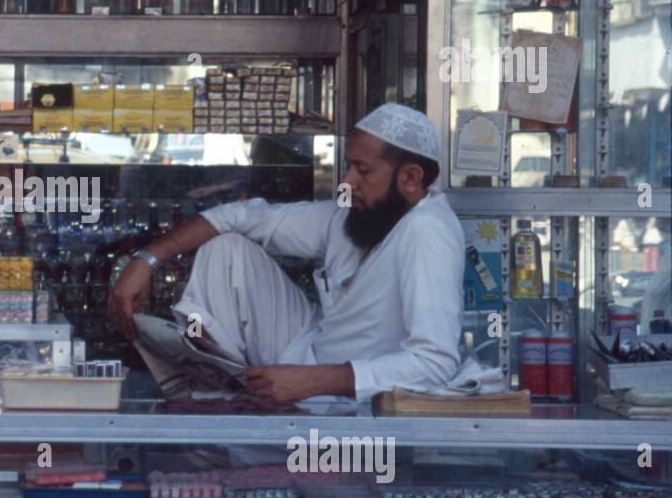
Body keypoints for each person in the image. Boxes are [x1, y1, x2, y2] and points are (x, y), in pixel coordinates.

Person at [109, 103, 465, 411]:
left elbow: (435, 363)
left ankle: (235, 407)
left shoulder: (427, 232)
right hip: (308, 354)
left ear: (410, 178)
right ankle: (221, 389)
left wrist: (315, 381)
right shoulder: (354, 214)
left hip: (352, 402)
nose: (347, 181)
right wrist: (147, 259)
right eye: (348, 167)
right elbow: (243, 216)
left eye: (363, 171)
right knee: (227, 249)